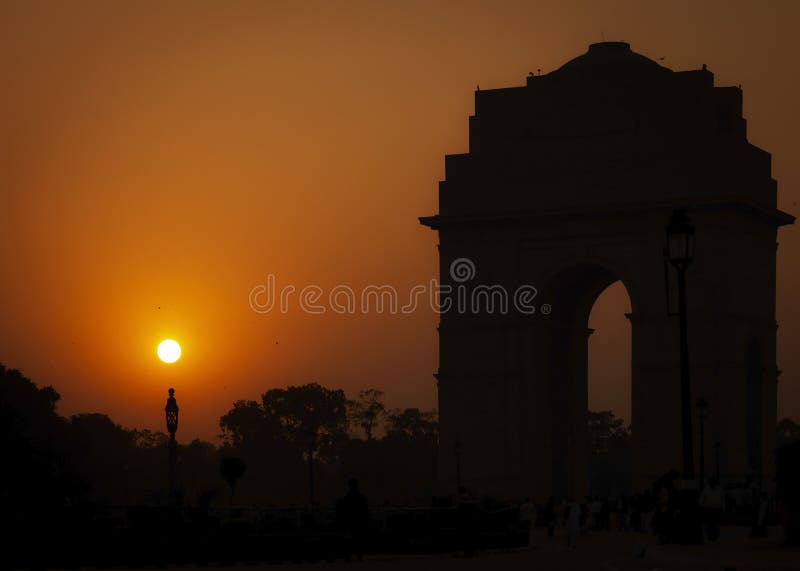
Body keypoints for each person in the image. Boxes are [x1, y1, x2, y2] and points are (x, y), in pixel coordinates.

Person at [336, 478, 369, 561]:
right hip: (358, 521)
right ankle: (358, 555)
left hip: (351, 521)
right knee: (358, 539)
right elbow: (365, 509)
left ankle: (349, 556)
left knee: (350, 539)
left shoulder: (348, 497)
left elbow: (344, 509)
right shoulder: (360, 497)